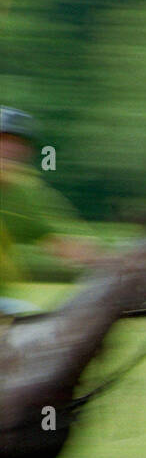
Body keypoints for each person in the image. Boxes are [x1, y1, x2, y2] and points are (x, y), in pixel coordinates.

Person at [0, 107, 98, 315]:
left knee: (38, 330)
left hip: (4, 304)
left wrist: (120, 264)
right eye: (4, 140)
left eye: (18, 143)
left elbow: (64, 243)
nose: (10, 149)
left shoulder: (25, 192)